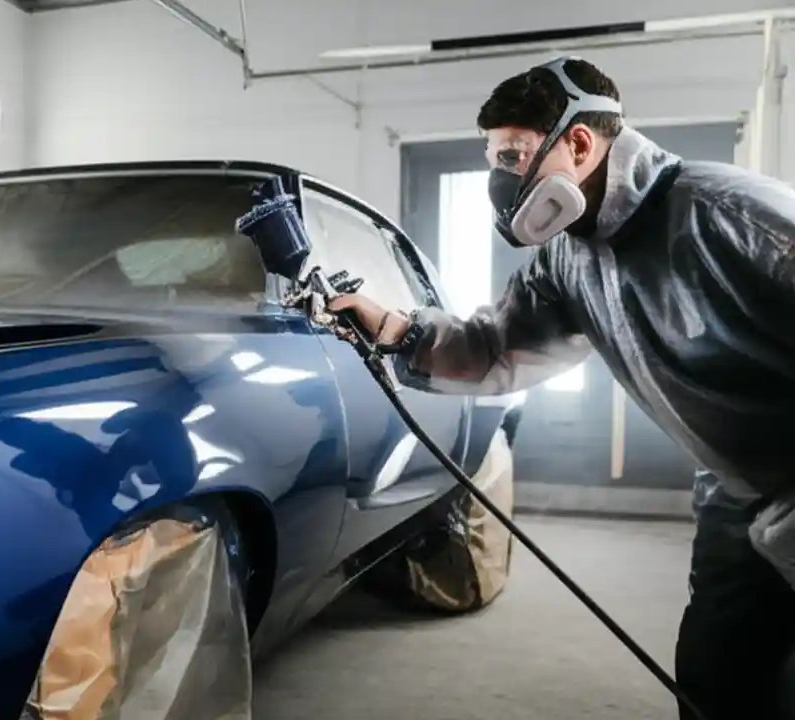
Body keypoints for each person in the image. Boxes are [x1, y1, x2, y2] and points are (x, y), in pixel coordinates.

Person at [328, 56, 795, 719]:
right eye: (495, 159)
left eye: (514, 156)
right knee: (715, 678)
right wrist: (395, 328)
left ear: (578, 143)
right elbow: (493, 348)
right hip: (732, 492)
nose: (501, 180)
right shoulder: (570, 258)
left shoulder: (733, 216)